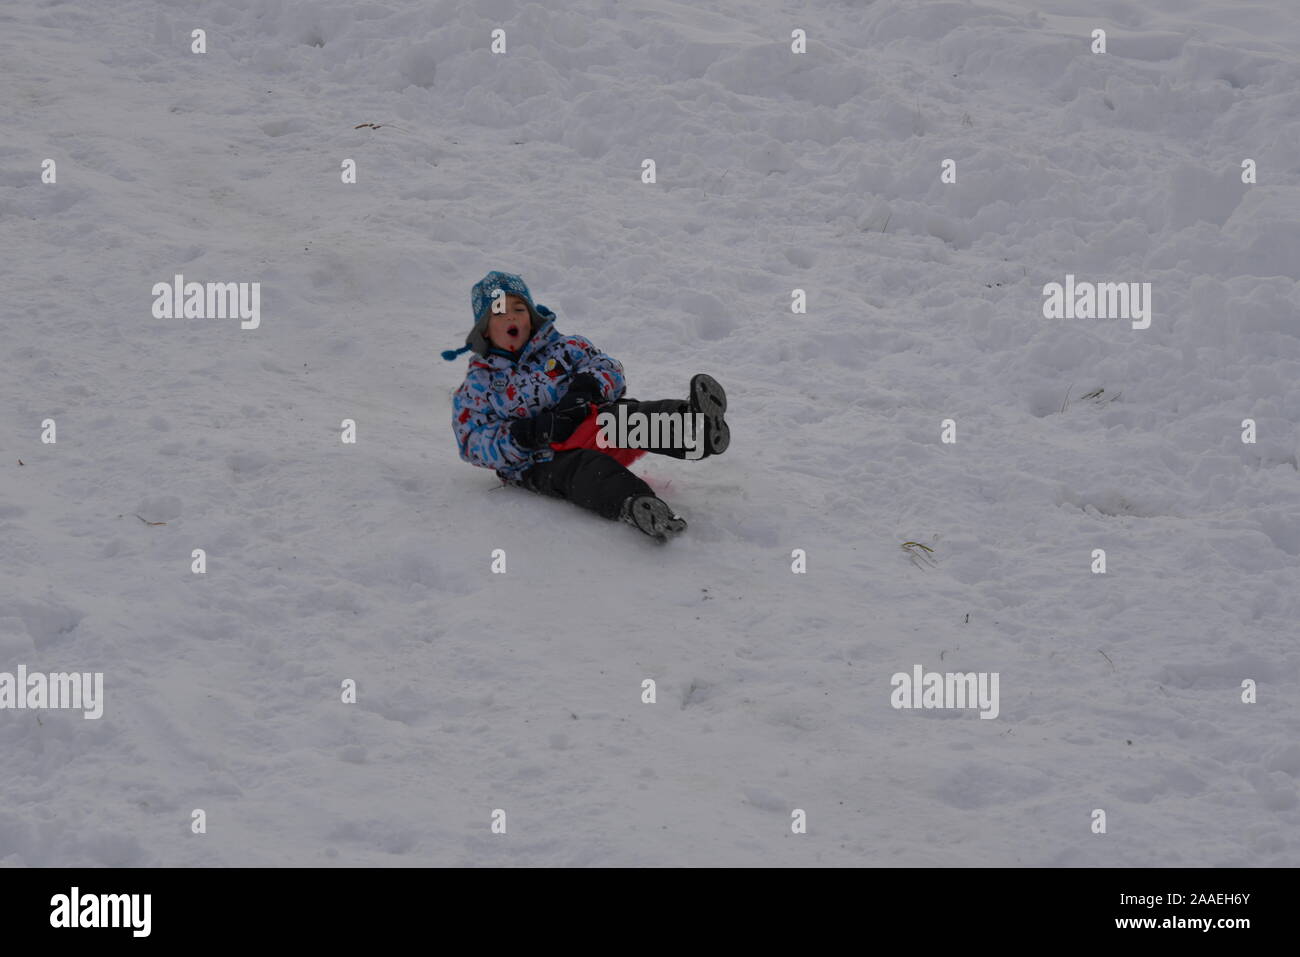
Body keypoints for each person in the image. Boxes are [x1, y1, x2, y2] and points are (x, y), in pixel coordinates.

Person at [444, 271, 728, 541]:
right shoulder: (479, 384)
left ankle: (698, 428)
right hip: (539, 461)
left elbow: (607, 367)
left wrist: (586, 388)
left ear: (530, 315)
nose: (512, 317)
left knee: (630, 419)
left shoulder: (565, 348)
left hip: (589, 426)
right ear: (484, 328)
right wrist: (523, 433)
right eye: (499, 312)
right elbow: (471, 439)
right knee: (586, 473)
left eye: (519, 308)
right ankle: (638, 505)